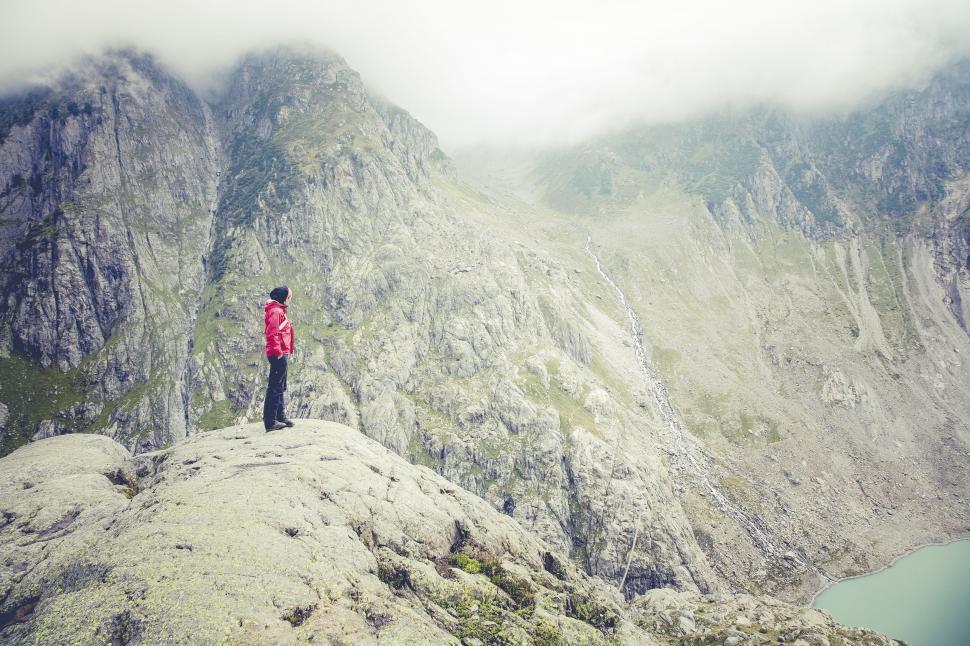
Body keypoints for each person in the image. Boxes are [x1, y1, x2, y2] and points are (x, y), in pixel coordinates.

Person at [263, 286, 295, 431]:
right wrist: (279, 352)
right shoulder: (276, 311)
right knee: (275, 387)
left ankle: (280, 416)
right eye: (289, 297)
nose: (290, 300)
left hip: (282, 352)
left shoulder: (278, 310)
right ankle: (270, 421)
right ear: (284, 298)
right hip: (278, 354)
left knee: (280, 386)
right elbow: (272, 334)